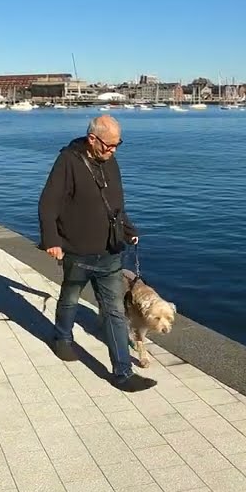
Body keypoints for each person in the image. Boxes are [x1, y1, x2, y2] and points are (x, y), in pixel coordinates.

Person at [38, 115, 154, 392]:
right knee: (70, 296)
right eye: (110, 145)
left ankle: (122, 373)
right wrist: (51, 240)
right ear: (93, 139)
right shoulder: (68, 161)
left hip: (110, 250)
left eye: (118, 145)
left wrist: (128, 229)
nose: (114, 150)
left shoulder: (111, 162)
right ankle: (62, 338)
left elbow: (116, 204)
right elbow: (48, 203)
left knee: (114, 310)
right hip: (76, 249)